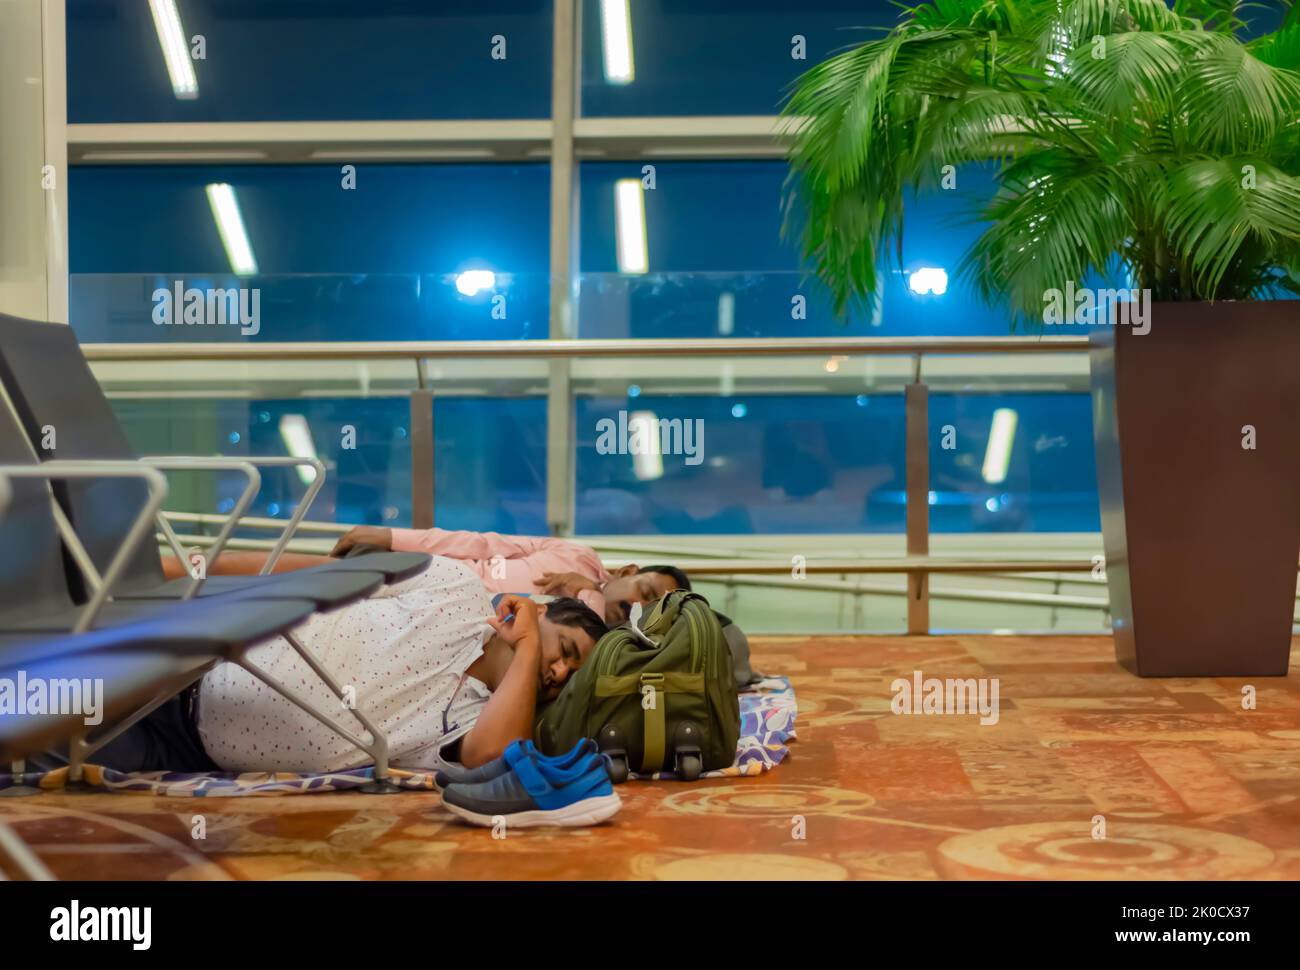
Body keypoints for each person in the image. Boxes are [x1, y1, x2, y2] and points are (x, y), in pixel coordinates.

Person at [34, 557, 607, 775]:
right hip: (189, 659)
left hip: (186, 749)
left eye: (566, 679)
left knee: (27, 752)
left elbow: (489, 758)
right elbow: (313, 575)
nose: (558, 672)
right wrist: (185, 577)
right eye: (566, 652)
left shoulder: (476, 722)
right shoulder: (453, 588)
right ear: (540, 611)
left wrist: (533, 651)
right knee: (36, 695)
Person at [330, 525, 692, 626]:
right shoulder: (577, 554)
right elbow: (483, 545)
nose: (636, 606)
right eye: (644, 591)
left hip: (435, 619)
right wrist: (390, 536)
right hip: (428, 573)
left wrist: (589, 592)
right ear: (628, 572)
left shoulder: (607, 636)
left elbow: (588, 627)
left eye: (649, 609)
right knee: (346, 560)